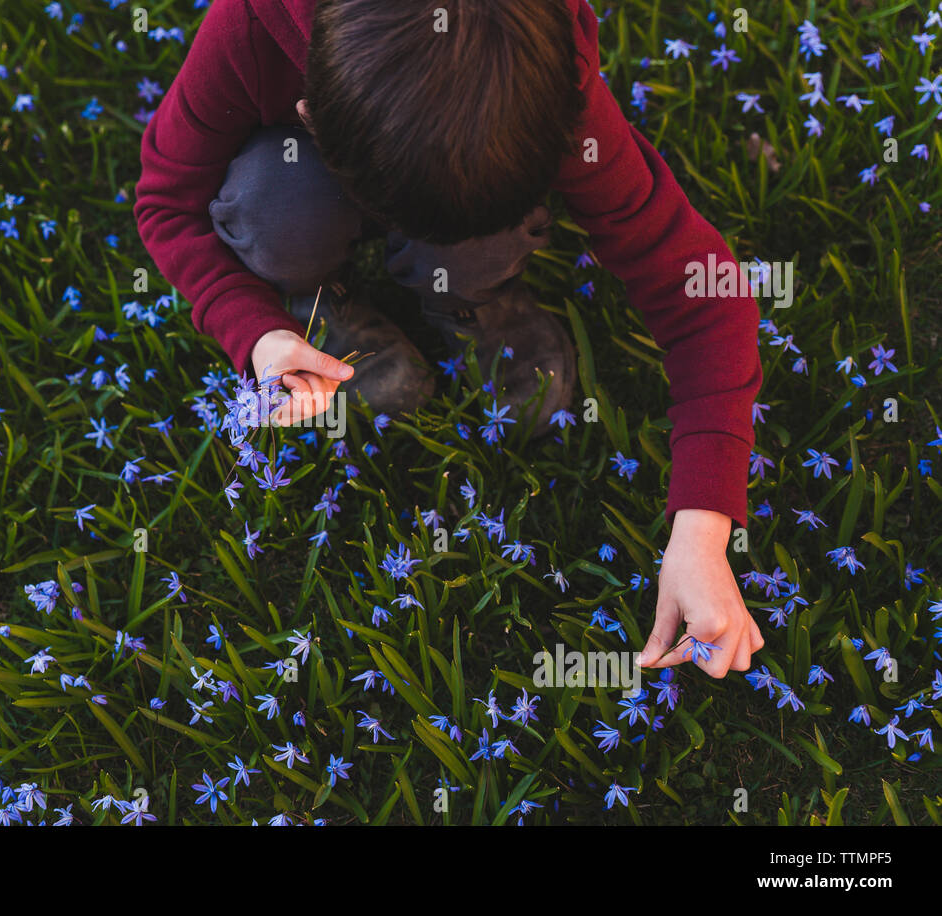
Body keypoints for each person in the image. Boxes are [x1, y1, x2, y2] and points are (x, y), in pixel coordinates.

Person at [134, 0, 764, 677]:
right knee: (277, 206)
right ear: (310, 114)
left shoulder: (549, 71)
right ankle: (319, 295)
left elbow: (699, 287)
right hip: (292, 170)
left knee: (467, 227)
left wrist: (703, 527)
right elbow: (167, 201)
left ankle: (469, 289)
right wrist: (254, 330)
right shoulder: (246, 30)